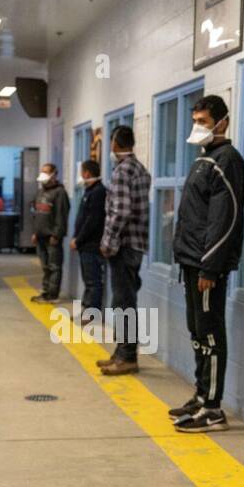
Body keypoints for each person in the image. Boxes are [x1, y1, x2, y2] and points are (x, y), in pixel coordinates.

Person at [168, 95, 244, 433]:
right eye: (195, 120)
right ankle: (202, 395)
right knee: (197, 330)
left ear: (223, 122)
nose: (197, 126)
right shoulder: (205, 158)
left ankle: (213, 408)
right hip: (190, 261)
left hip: (205, 267)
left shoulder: (227, 160)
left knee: (210, 333)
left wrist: (210, 268)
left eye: (203, 120)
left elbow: (224, 219)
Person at [97, 126, 151, 375]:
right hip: (136, 244)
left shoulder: (122, 170)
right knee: (125, 299)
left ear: (116, 144)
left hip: (124, 245)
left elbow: (120, 211)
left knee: (123, 302)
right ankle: (121, 352)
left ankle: (127, 356)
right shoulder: (139, 168)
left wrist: (108, 241)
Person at [70, 159, 107, 315]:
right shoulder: (89, 190)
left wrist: (78, 239)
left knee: (93, 281)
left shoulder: (98, 191)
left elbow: (93, 221)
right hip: (84, 244)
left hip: (91, 244)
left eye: (81, 173)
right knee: (88, 279)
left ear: (86, 173)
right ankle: (87, 308)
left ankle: (92, 313)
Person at [30, 162, 70, 303]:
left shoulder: (60, 193)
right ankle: (46, 291)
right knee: (45, 266)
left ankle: (53, 295)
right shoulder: (40, 192)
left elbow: (61, 216)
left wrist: (57, 234)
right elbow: (36, 214)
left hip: (52, 237)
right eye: (42, 171)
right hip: (40, 235)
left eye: (46, 172)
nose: (43, 174)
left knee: (54, 266)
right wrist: (35, 232)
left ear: (54, 174)